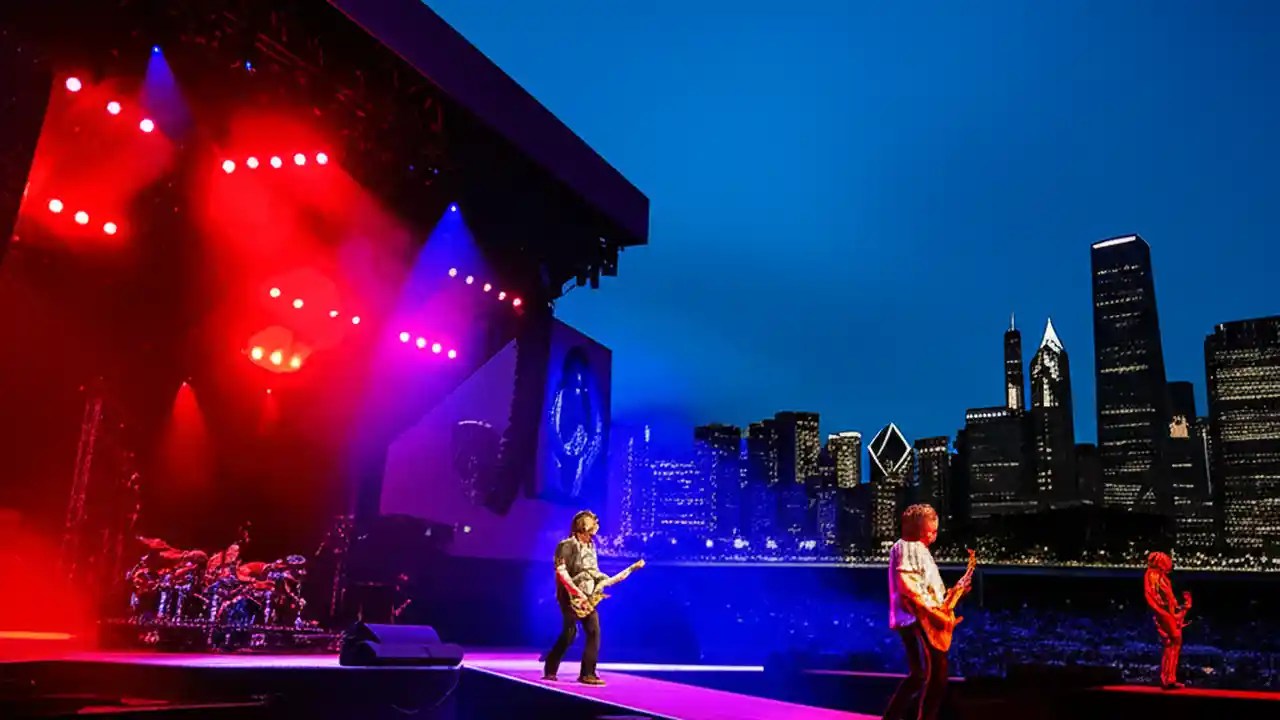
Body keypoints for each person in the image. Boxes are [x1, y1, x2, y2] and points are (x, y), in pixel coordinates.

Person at [882, 504, 968, 720]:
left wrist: (955, 593)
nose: (934, 535)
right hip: (917, 617)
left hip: (915, 616)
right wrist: (935, 614)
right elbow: (909, 587)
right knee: (938, 673)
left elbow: (924, 590)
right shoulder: (910, 547)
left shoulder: (916, 550)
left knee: (919, 674)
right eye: (932, 530)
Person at [543, 510, 607, 686]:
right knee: (570, 634)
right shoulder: (567, 545)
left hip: (587, 596)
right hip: (569, 596)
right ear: (582, 525)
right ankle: (550, 666)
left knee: (594, 631)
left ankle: (588, 673)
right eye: (592, 521)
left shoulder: (591, 546)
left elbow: (592, 570)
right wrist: (575, 592)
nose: (596, 524)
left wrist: (602, 579)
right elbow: (562, 572)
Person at [1144, 551, 1191, 690]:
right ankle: (1168, 678)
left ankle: (1169, 678)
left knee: (1171, 645)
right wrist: (1163, 614)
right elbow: (1153, 597)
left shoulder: (1160, 576)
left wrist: (1180, 608)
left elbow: (1168, 599)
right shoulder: (1153, 575)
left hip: (1166, 613)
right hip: (1163, 614)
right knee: (1174, 642)